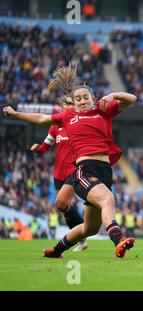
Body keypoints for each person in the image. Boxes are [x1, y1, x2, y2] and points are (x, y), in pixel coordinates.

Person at [3, 65, 137, 259]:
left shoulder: (103, 110)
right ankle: (119, 240)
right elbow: (41, 119)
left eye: (86, 97)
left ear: (93, 99)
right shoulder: (68, 116)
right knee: (108, 199)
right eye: (78, 99)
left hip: (105, 171)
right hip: (84, 171)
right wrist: (16, 114)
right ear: (73, 103)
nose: (82, 101)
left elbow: (132, 99)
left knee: (89, 229)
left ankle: (55, 252)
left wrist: (114, 94)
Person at [31, 83, 88, 251]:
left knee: (62, 201)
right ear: (61, 108)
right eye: (66, 106)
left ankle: (86, 231)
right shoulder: (55, 126)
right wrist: (38, 149)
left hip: (73, 169)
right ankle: (81, 239)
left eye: (71, 105)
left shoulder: (78, 123)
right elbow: (46, 145)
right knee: (62, 206)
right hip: (58, 173)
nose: (68, 108)